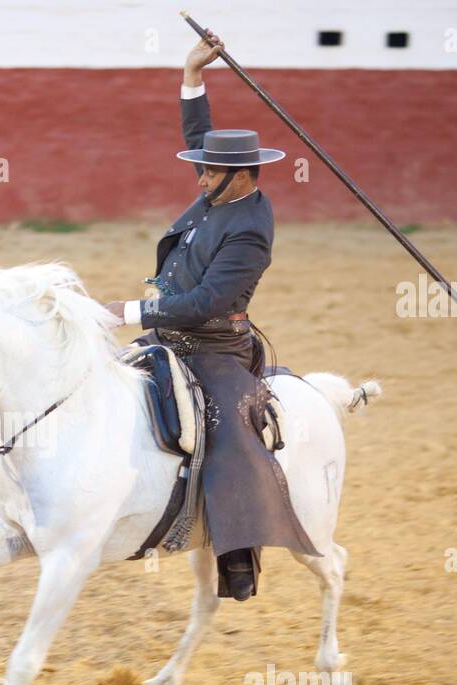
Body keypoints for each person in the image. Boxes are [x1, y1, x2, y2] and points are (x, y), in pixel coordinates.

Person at [102, 28, 319, 600]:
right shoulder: (221, 189)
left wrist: (127, 310)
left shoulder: (250, 228)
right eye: (201, 169)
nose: (198, 178)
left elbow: (204, 305)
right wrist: (194, 75)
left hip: (216, 347)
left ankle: (238, 555)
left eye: (209, 172)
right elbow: (201, 138)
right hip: (170, 336)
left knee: (227, 433)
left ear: (244, 175)